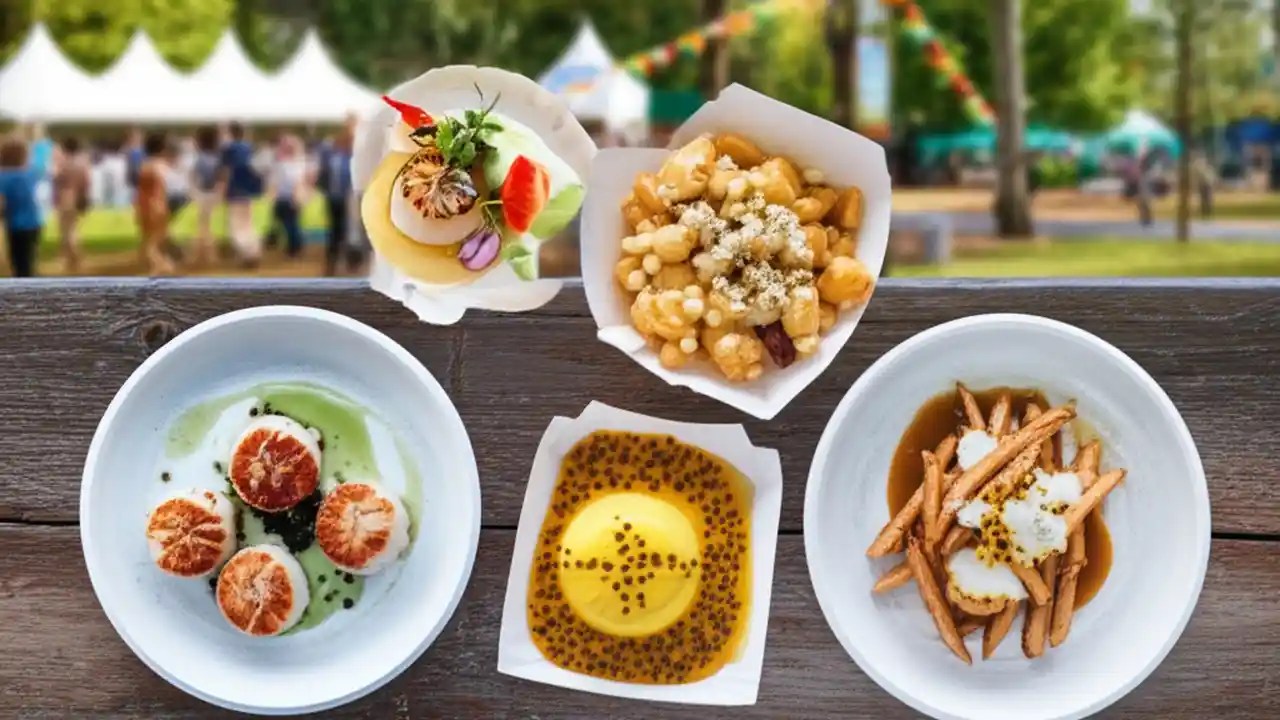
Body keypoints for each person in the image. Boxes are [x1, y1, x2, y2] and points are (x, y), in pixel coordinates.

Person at [219, 121, 264, 265]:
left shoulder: (228, 148)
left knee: (236, 225)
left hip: (234, 189)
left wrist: (223, 188)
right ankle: (254, 250)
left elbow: (226, 170)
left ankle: (247, 253)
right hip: (248, 190)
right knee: (248, 223)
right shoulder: (248, 147)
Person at [316, 119, 356, 276]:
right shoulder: (331, 154)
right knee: (335, 231)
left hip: (350, 198)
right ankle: (332, 264)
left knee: (350, 231)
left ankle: (352, 263)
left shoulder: (353, 156)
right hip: (333, 198)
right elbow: (324, 174)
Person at [0, 135, 44, 277]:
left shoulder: (3, 176)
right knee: (29, 261)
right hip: (34, 222)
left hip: (16, 225)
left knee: (19, 264)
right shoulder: (31, 173)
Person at [135, 132, 175, 275]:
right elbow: (161, 188)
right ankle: (161, 266)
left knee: (149, 239)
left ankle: (158, 265)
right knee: (156, 240)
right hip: (157, 205)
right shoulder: (160, 166)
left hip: (145, 204)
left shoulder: (144, 165)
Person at [52, 136, 91, 274]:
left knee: (67, 232)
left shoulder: (65, 164)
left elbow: (57, 180)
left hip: (65, 197)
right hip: (77, 197)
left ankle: (76, 259)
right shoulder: (82, 163)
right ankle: (70, 260)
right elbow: (86, 183)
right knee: (71, 229)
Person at [268, 133, 308, 258]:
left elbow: (297, 181)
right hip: (284, 196)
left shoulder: (294, 163)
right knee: (288, 222)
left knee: (291, 224)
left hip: (290, 197)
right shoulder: (285, 163)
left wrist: (296, 196)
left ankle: (294, 248)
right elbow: (276, 181)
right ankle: (294, 246)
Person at [190, 126, 223, 267]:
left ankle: (202, 255)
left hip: (203, 193)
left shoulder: (200, 158)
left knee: (203, 225)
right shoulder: (218, 158)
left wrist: (194, 191)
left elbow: (194, 176)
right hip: (214, 193)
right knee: (208, 225)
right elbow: (221, 176)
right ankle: (210, 255)